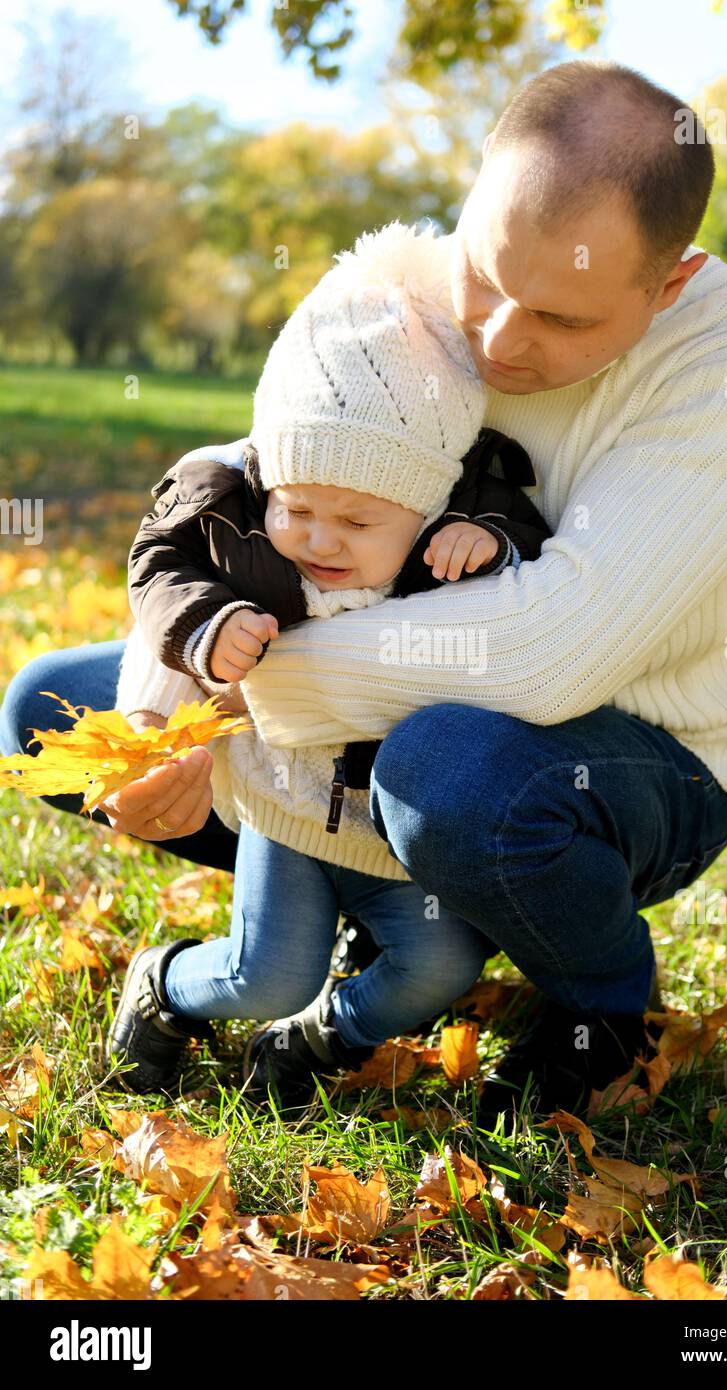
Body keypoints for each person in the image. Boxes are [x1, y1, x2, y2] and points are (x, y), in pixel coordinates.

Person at [0, 59, 727, 1118]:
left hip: (625, 753)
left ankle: (602, 1005)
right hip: (371, 711)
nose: (499, 340)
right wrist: (160, 714)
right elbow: (255, 470)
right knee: (52, 715)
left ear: (667, 286)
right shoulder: (401, 283)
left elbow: (552, 651)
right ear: (476, 190)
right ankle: (383, 894)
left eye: (560, 319)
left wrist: (240, 689)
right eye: (485, 276)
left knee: (452, 775)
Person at [105, 220, 552, 1101]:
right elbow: (164, 581)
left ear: (429, 507)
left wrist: (490, 541)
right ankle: (166, 986)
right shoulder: (247, 544)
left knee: (439, 966)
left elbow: (532, 574)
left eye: (357, 522)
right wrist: (205, 634)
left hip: (395, 837)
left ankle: (319, 1036)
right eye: (298, 508)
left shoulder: (452, 538)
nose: (320, 541)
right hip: (287, 804)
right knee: (267, 971)